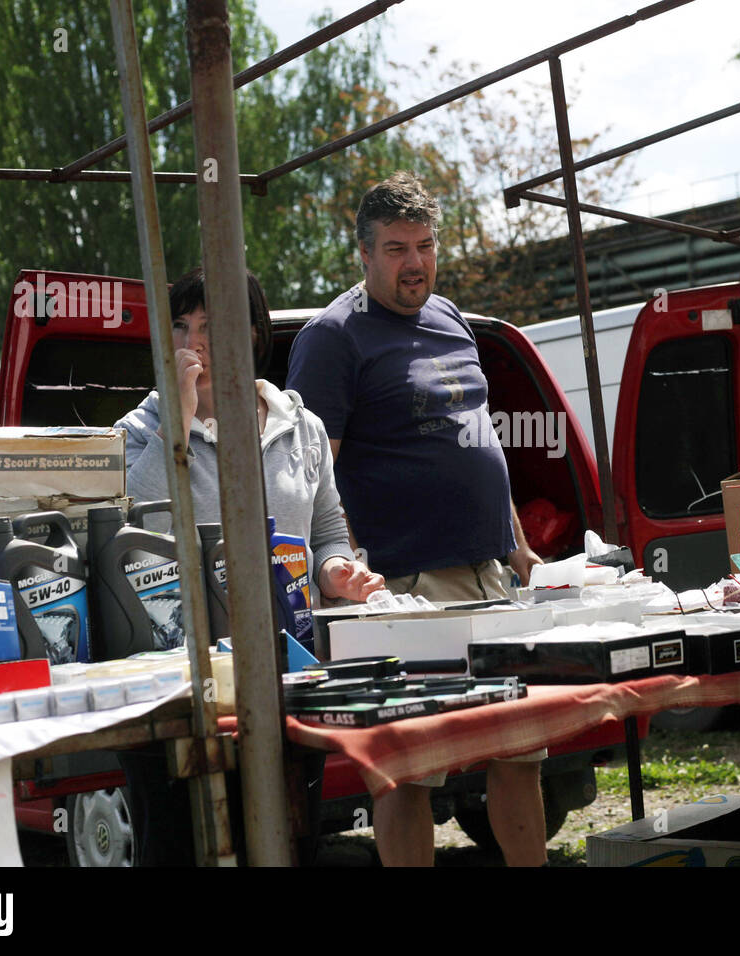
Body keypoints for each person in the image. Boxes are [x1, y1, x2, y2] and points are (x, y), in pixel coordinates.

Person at [286, 172, 548, 867]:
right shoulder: (332, 338)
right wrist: (344, 571)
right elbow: (309, 472)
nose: (415, 263)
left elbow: (479, 441)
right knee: (409, 773)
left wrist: (520, 551)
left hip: (491, 574)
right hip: (405, 586)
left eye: (426, 245)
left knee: (520, 751)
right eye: (397, 248)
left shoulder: (452, 317)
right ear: (364, 256)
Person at [113, 266, 383, 865]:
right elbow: (133, 531)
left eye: (211, 326)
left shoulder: (301, 426)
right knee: (179, 847)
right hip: (178, 682)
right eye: (181, 327)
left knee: (288, 840)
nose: (193, 344)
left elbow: (327, 530)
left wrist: (337, 570)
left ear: (252, 333)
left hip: (286, 671)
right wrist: (176, 424)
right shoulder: (136, 431)